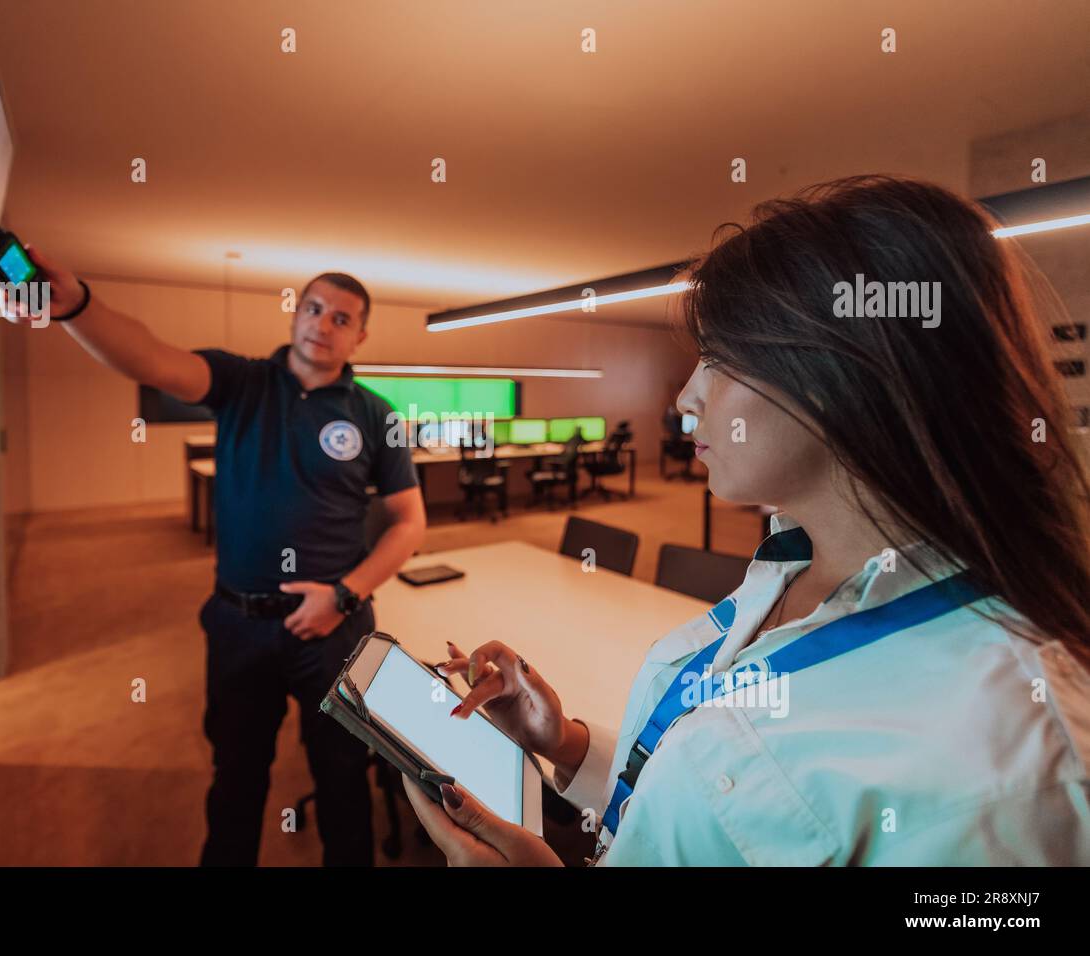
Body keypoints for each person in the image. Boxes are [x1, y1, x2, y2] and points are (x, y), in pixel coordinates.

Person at [401, 175, 1090, 865]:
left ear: (846, 378)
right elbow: (726, 813)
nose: (684, 397)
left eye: (722, 360)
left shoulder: (1019, 757)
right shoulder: (788, 570)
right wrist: (566, 743)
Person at [0, 255, 427, 866]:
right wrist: (77, 305)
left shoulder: (378, 415)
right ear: (297, 315)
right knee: (236, 778)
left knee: (343, 781)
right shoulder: (241, 383)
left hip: (337, 630)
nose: (323, 324)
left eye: (342, 318)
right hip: (239, 624)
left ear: (360, 336)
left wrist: (343, 596)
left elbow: (410, 522)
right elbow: (149, 355)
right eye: (314, 309)